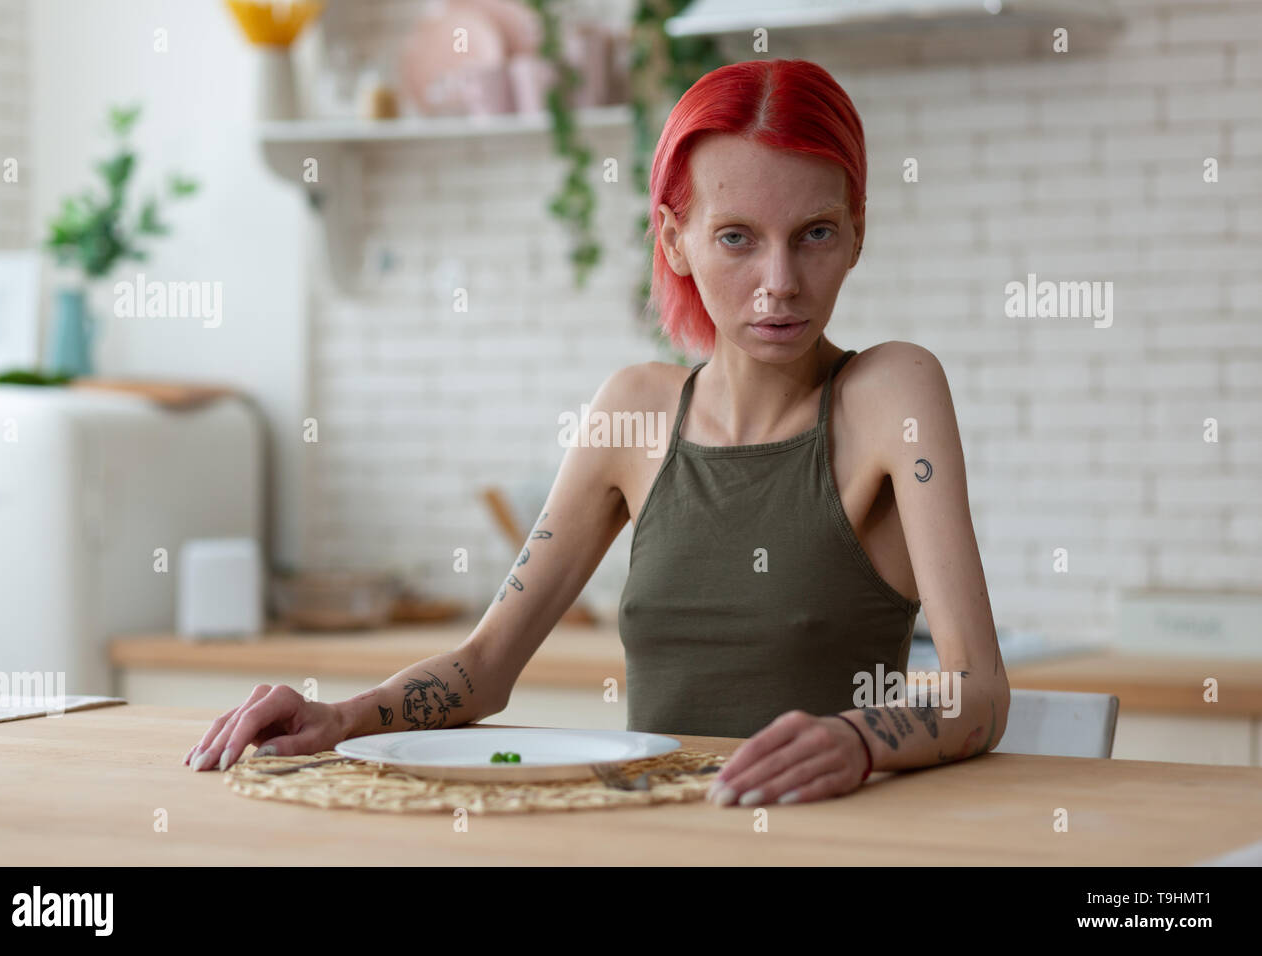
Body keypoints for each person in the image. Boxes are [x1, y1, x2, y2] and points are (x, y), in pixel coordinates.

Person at [187, 58, 1009, 808]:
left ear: (858, 230)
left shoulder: (892, 391)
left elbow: (977, 691)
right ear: (673, 240)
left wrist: (859, 740)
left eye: (815, 234)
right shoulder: (633, 409)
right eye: (736, 238)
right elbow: (482, 670)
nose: (779, 284)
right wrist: (338, 717)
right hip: (646, 835)